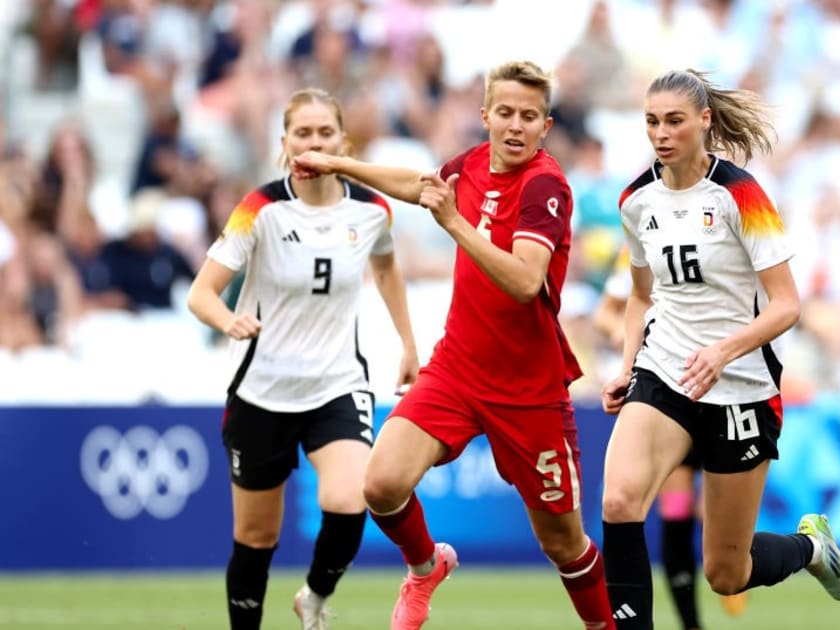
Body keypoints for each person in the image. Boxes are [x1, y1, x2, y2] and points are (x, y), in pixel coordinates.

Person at [292, 60, 615, 630]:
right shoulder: (471, 164)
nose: (516, 125)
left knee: (563, 543)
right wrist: (338, 163)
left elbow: (525, 282)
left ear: (545, 126)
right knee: (381, 483)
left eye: (529, 116)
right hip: (458, 368)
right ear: (486, 115)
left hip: (528, 389)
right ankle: (425, 567)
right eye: (506, 112)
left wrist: (456, 226)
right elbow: (421, 188)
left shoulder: (545, 186)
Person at [599, 69, 840, 630]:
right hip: (665, 370)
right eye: (651, 122)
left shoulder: (740, 194)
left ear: (704, 120)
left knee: (726, 571)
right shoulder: (636, 200)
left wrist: (723, 351)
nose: (661, 134)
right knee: (618, 502)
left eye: (674, 121)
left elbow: (787, 305)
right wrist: (626, 367)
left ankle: (812, 548)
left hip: (740, 388)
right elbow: (640, 297)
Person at [187, 87, 421, 630]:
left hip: (336, 383)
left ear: (343, 141)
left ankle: (314, 596)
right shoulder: (260, 209)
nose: (314, 142)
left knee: (350, 500)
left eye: (325, 132)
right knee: (257, 538)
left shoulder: (371, 210)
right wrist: (229, 321)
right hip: (261, 390)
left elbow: (386, 267)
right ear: (285, 143)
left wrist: (408, 343)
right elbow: (201, 293)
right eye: (303, 133)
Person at [594, 248, 747, 630]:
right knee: (676, 510)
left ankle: (732, 564)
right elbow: (610, 310)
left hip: (723, 385)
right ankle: (691, 623)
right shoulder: (643, 243)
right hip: (666, 386)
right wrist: (626, 338)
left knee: (716, 524)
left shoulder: (721, 237)